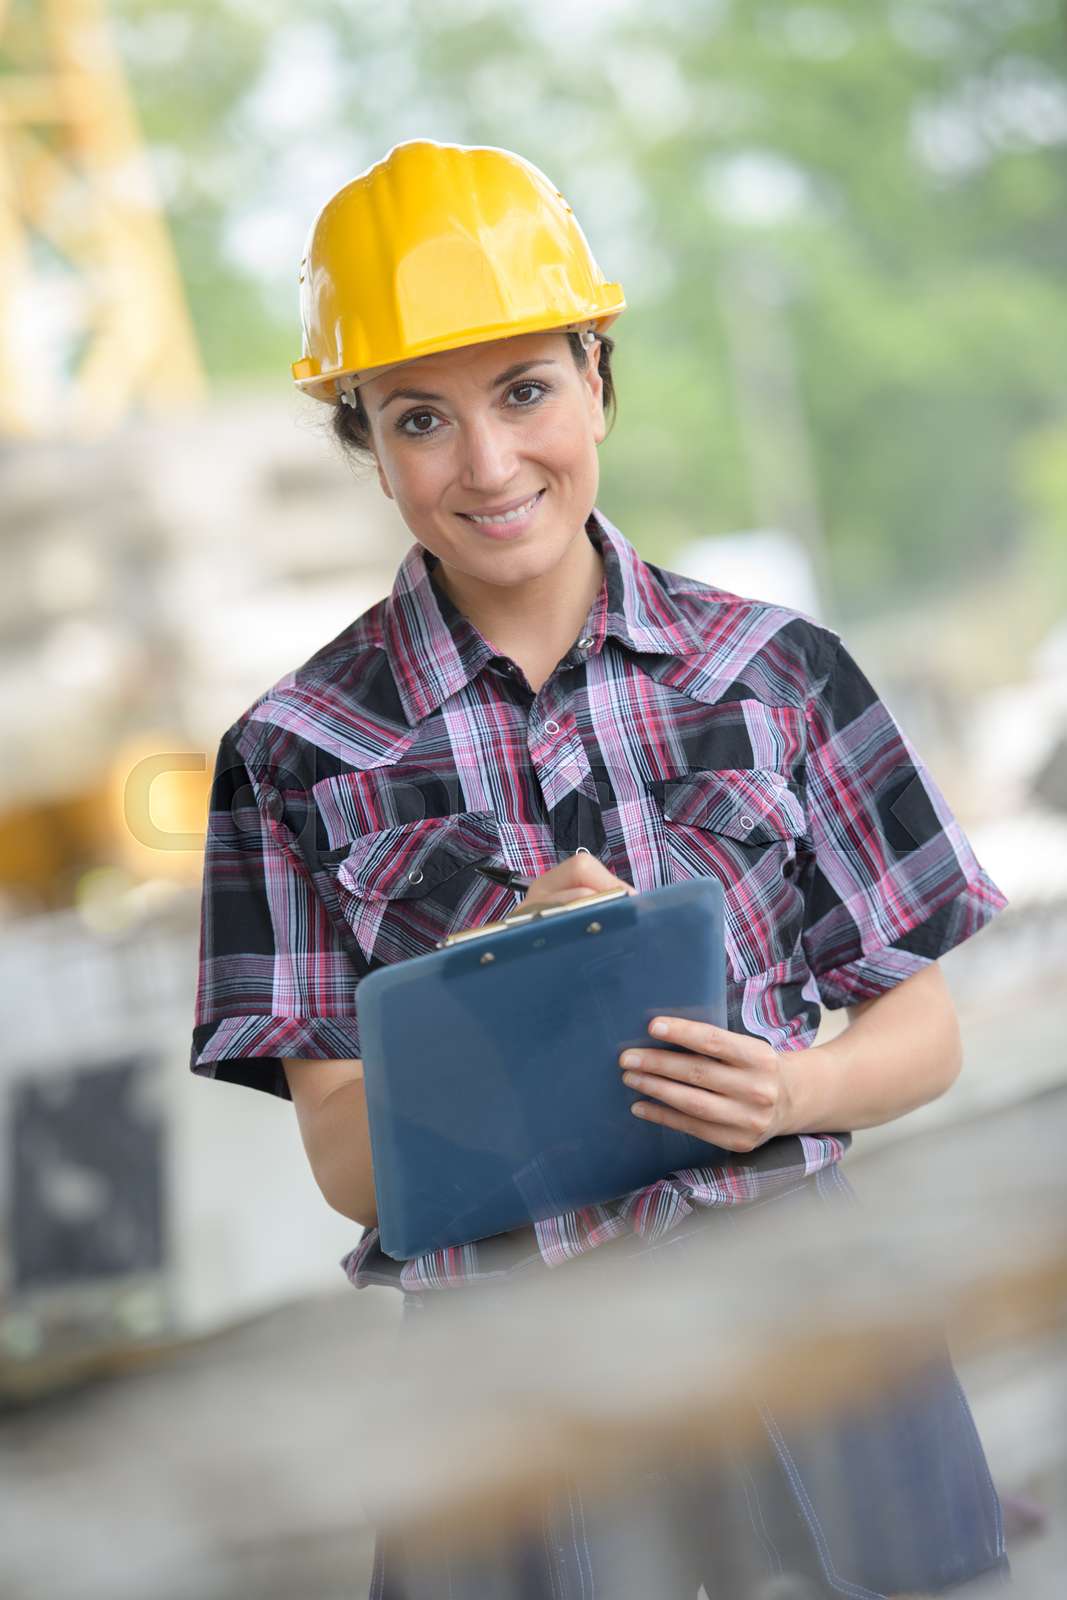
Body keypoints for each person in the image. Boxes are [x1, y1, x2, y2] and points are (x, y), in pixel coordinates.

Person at [190, 139, 1012, 1596]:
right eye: (419, 418)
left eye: (526, 392)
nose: (490, 463)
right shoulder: (294, 755)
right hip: (505, 1389)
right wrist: (510, 988)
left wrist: (799, 1088)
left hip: (806, 1319)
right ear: (366, 446)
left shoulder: (779, 675)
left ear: (599, 378)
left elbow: (922, 1025)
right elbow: (343, 1157)